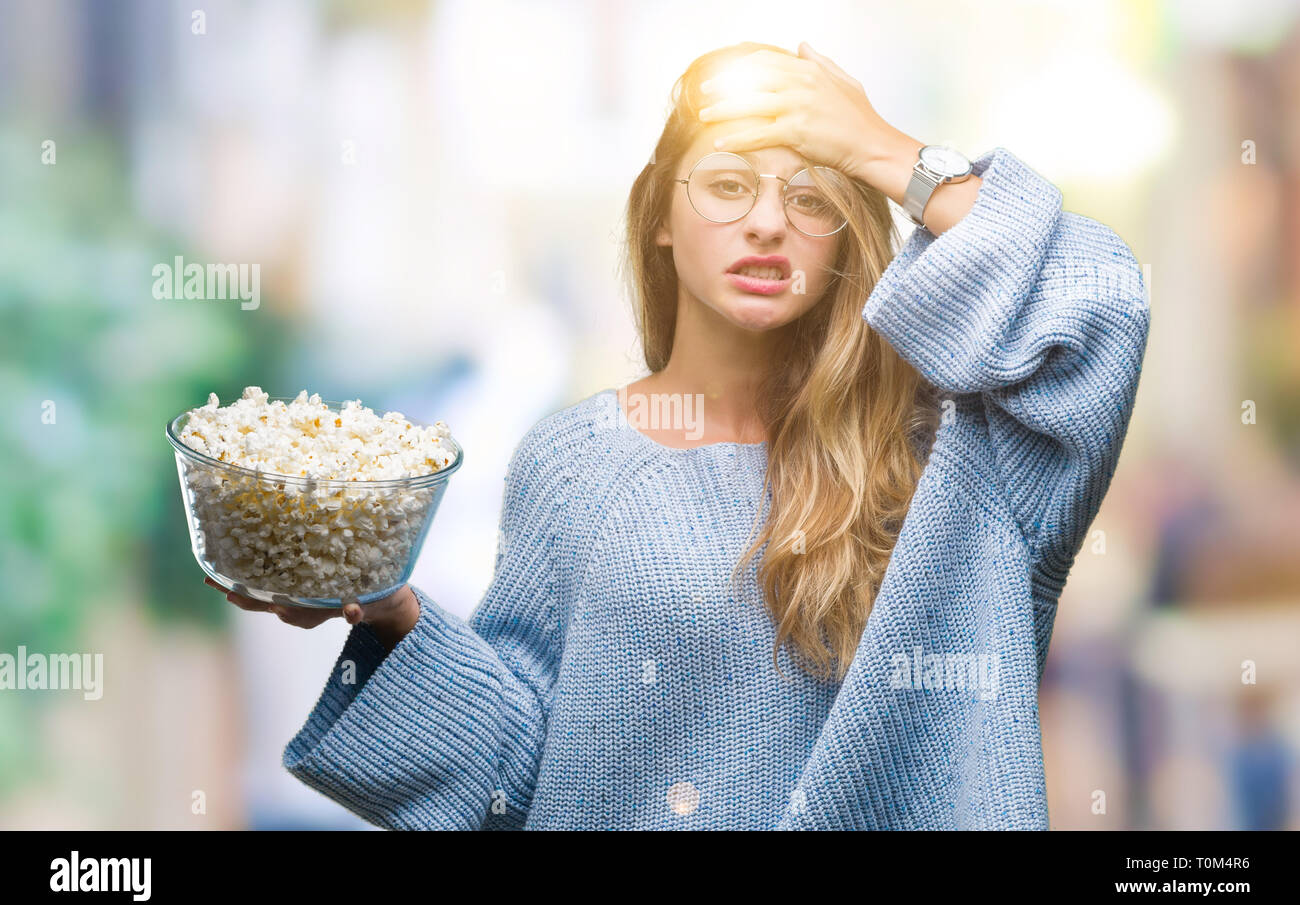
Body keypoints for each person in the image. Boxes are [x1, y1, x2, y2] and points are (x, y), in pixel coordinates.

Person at [208, 41, 1151, 829]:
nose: (769, 224)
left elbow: (1099, 303)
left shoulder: (953, 459)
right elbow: (519, 782)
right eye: (729, 185)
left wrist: (882, 149)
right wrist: (390, 615)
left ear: (843, 237)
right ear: (661, 216)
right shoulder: (575, 460)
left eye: (814, 198)